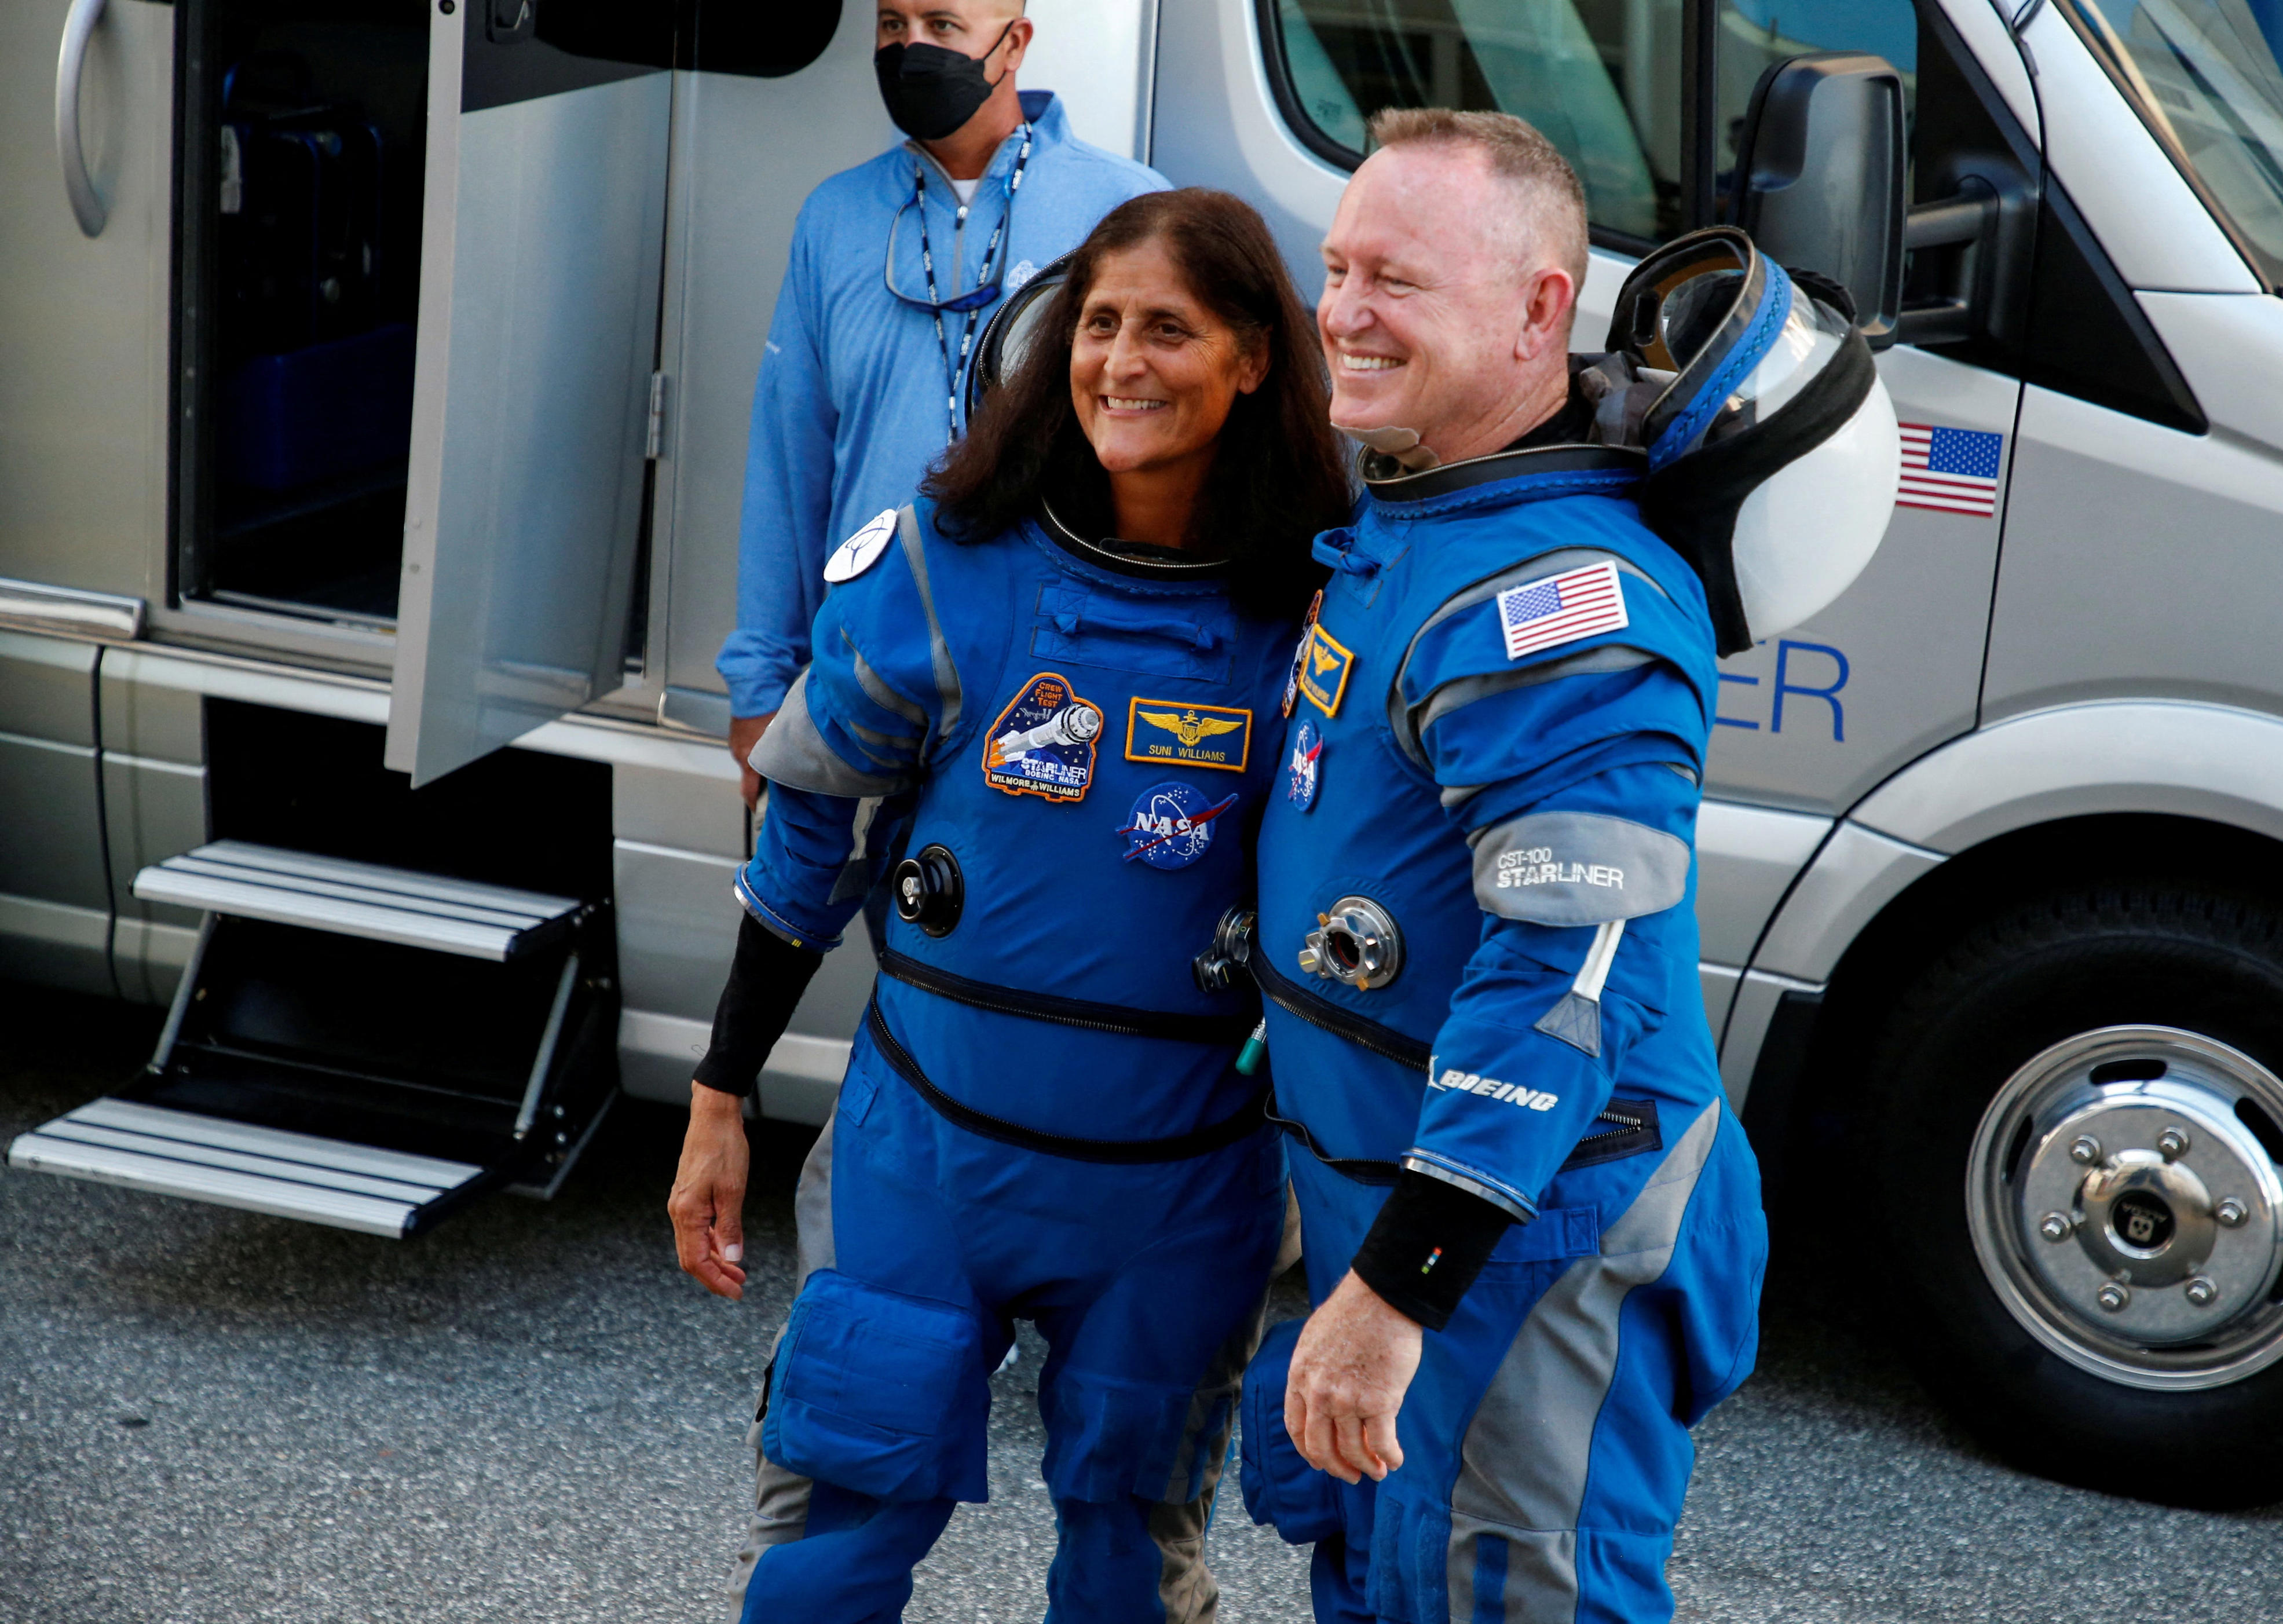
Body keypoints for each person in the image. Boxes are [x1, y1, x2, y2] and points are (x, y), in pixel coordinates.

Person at [665, 188, 1352, 1623]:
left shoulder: (1329, 604)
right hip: (931, 1152)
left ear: (1252, 361)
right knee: (830, 1555)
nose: (1123, 360)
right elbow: (810, 842)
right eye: (1101, 324)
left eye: (1170, 328)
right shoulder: (943, 561)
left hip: (1183, 1183)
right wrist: (721, 1093)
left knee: (1130, 1574)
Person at [1233, 111, 1772, 1622]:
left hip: (1528, 1247)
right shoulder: (1420, 509)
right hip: (1416, 1211)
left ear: (1540, 311)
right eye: (1334, 267)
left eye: (1392, 278)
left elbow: (1566, 971)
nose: (1339, 310)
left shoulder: (1562, 604)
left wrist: (1399, 1281)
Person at [718, 0, 1165, 804]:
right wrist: (758, 685)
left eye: (941, 25)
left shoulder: (1127, 215)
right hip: (861, 668)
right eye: (892, 27)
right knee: (814, 914)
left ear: (1014, 43)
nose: (910, 49)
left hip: (1048, 676)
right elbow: (790, 458)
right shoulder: (834, 217)